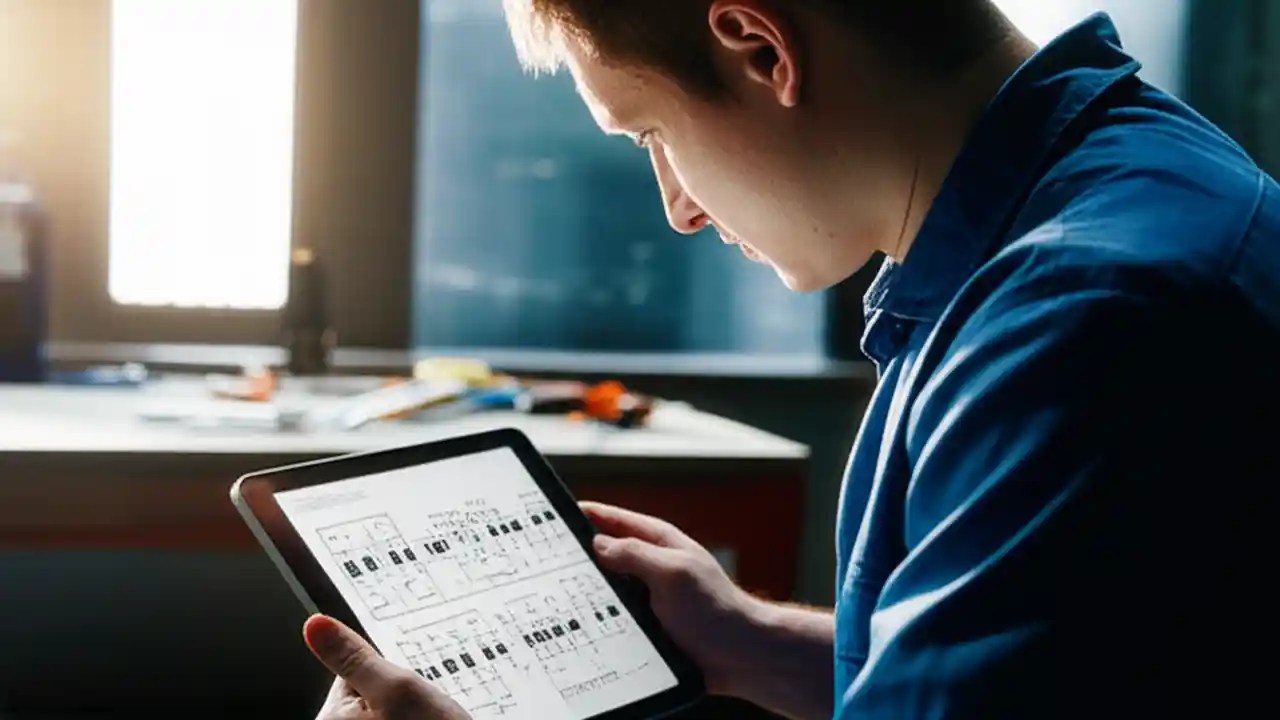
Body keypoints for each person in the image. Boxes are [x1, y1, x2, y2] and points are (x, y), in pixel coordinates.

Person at [301, 1, 1280, 717]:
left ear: (759, 48)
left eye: (648, 133)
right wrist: (748, 641)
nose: (676, 210)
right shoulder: (1129, 186)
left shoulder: (1079, 321)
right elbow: (1056, 673)